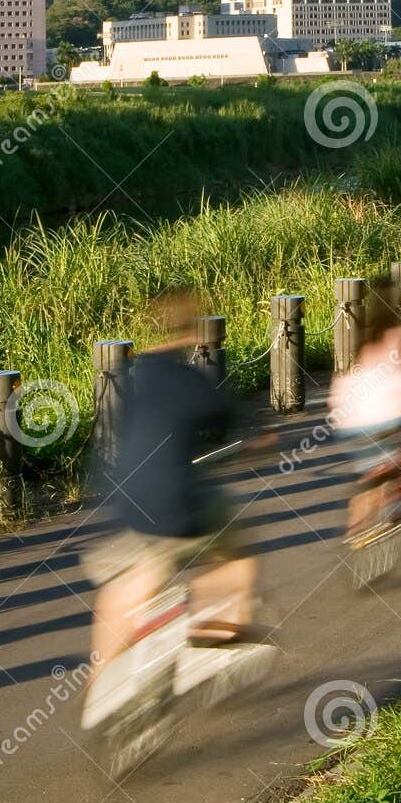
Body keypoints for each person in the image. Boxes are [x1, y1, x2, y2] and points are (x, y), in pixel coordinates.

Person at [82, 295, 266, 732]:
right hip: (173, 500)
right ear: (191, 336)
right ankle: (221, 630)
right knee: (234, 543)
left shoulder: (135, 375)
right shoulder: (191, 379)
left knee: (129, 582)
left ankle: (98, 673)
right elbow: (227, 425)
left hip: (125, 496)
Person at [329, 279, 401, 542]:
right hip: (393, 411)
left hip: (346, 416)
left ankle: (357, 526)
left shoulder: (363, 340)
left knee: (372, 466)